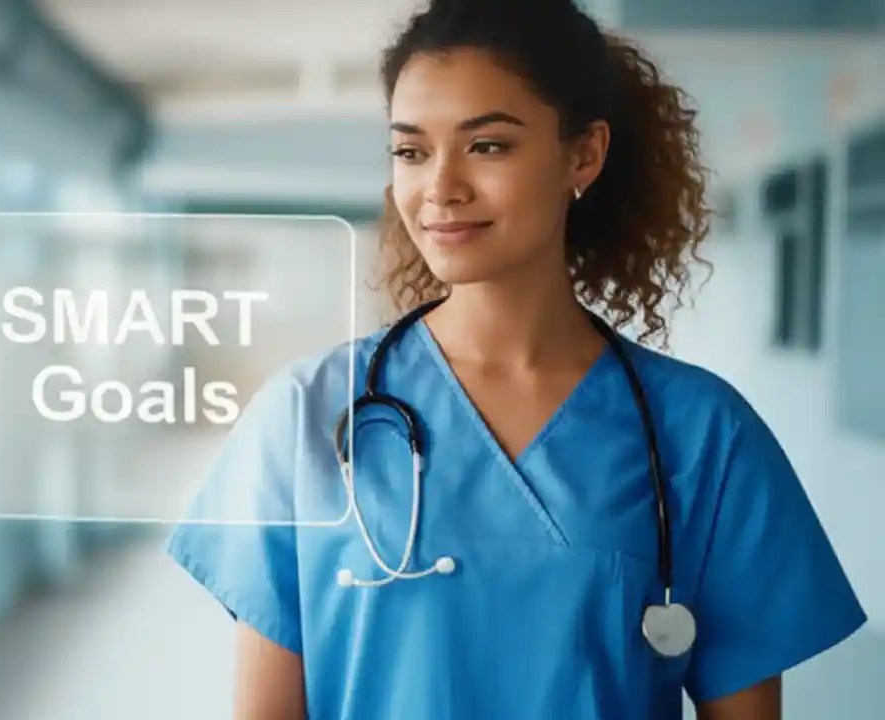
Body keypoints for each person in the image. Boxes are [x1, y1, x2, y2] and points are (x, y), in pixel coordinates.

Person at [163, 0, 867, 717]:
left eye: (487, 145)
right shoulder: (310, 412)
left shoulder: (702, 433)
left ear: (583, 154)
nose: (440, 187)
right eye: (411, 151)